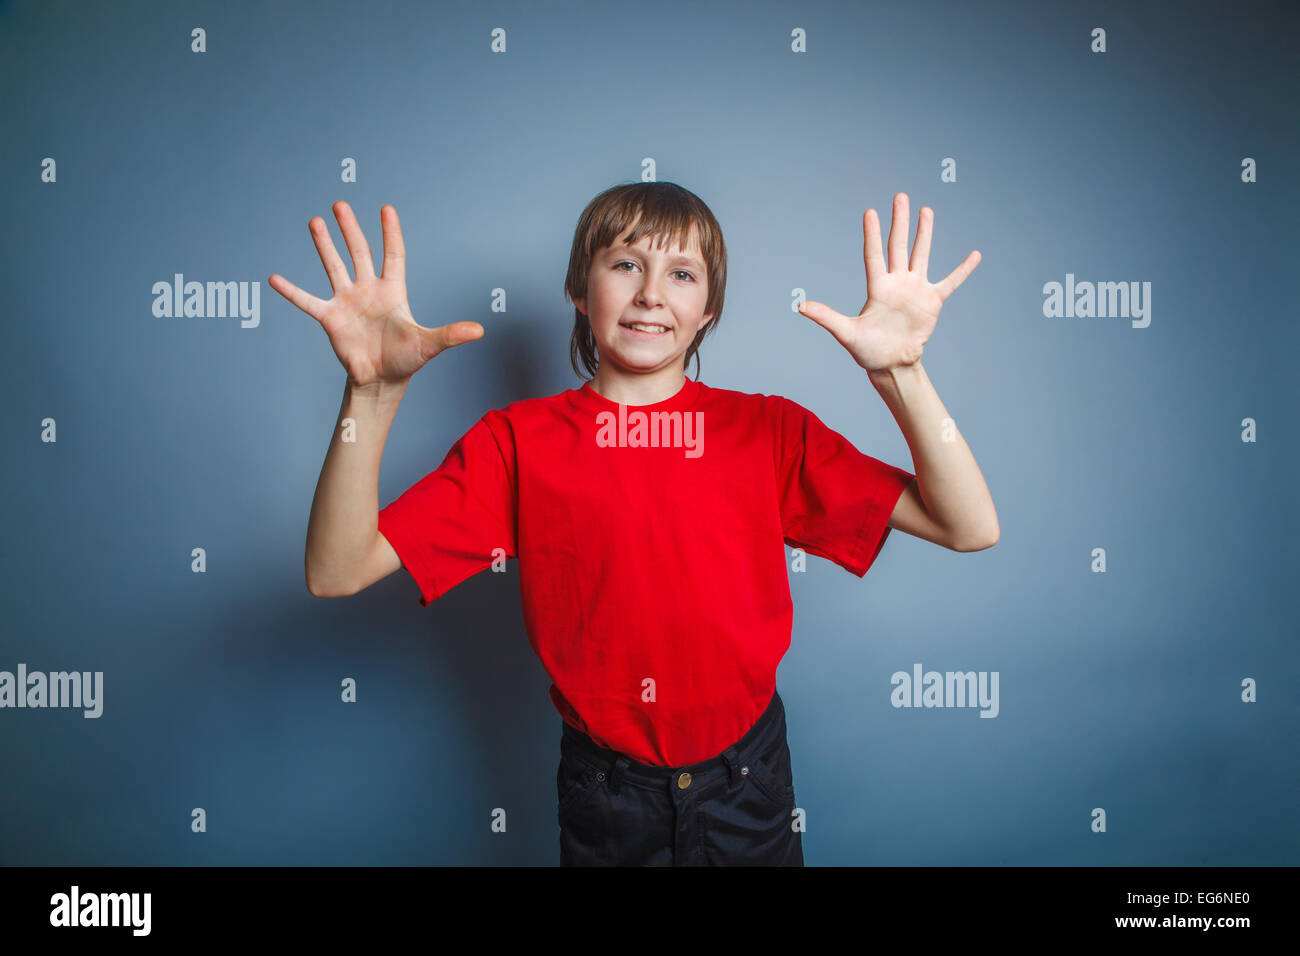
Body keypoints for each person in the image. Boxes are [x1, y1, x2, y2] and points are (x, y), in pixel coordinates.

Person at [268, 182, 998, 866]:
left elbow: (967, 526)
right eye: (625, 263)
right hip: (606, 795)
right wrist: (371, 392)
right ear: (579, 291)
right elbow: (338, 570)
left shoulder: (768, 431)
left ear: (710, 307)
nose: (652, 293)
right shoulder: (516, 443)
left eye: (682, 274)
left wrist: (902, 373)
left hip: (750, 779)